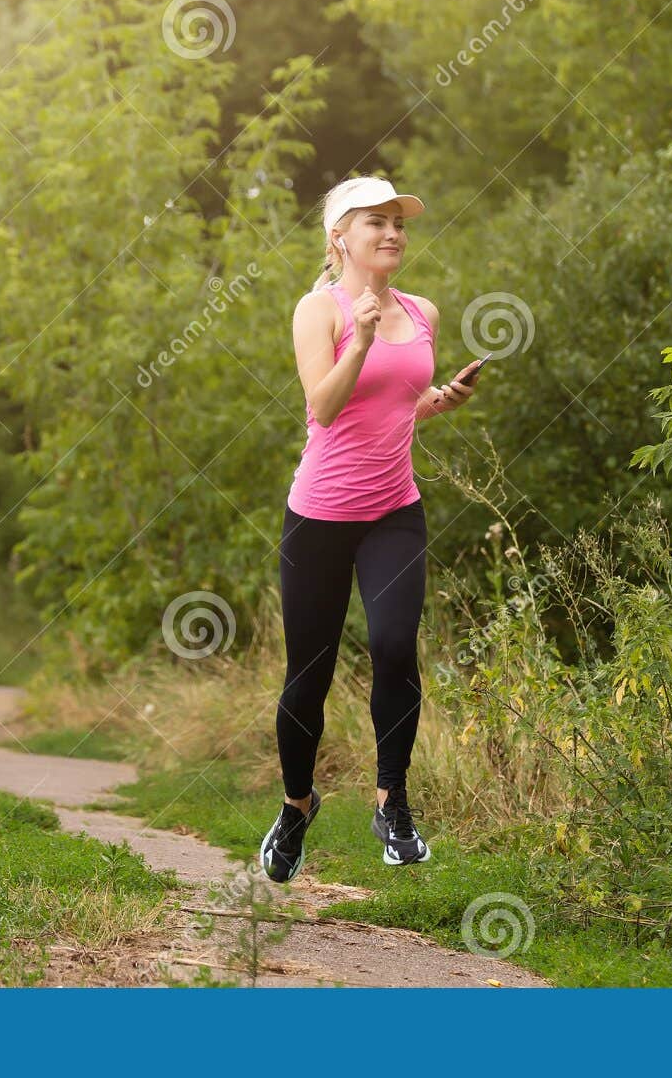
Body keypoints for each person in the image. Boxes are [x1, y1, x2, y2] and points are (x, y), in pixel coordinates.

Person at [260, 176, 483, 883]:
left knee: (393, 644)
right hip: (320, 516)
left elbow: (398, 405)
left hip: (394, 510)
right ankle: (297, 805)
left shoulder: (423, 312)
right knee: (309, 676)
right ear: (340, 237)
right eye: (375, 222)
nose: (392, 233)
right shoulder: (316, 311)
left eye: (398, 223)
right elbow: (325, 408)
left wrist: (436, 402)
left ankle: (393, 802)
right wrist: (357, 337)